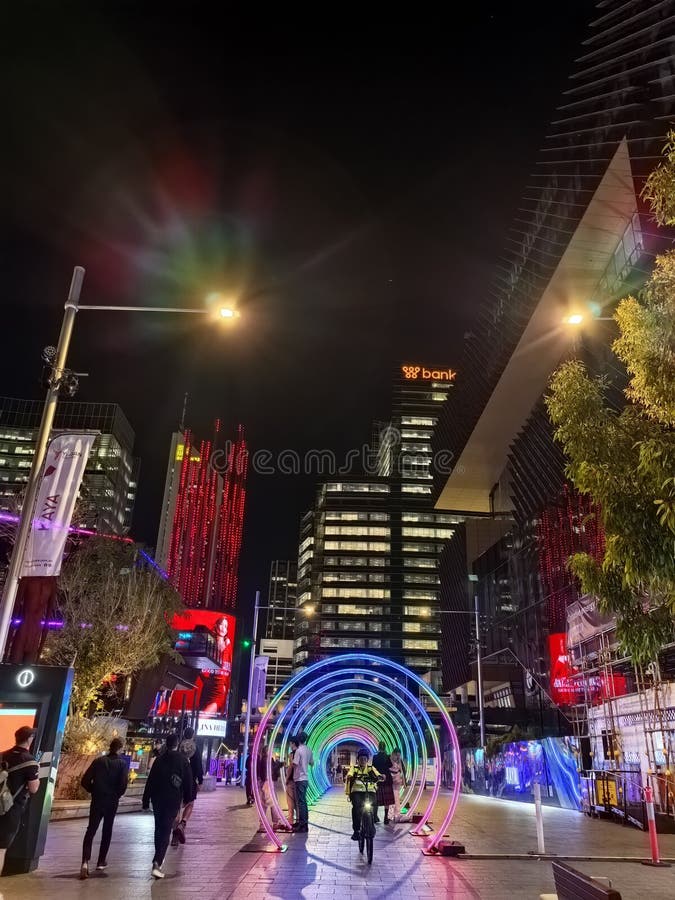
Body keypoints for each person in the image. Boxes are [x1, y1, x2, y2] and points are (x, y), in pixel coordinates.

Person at [142, 733, 193, 880]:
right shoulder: (183, 761)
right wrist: (188, 798)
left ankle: (158, 859)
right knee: (165, 830)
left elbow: (150, 781)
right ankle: (157, 863)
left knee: (159, 828)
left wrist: (146, 800)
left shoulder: (159, 760)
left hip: (157, 799)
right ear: (177, 744)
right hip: (172, 799)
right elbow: (188, 781)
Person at [79, 737, 129, 879]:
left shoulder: (98, 761)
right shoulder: (122, 764)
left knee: (91, 830)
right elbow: (123, 784)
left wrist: (93, 790)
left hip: (97, 799)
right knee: (107, 830)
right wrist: (116, 795)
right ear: (119, 749)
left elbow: (85, 780)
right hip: (111, 801)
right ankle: (101, 860)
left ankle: (85, 861)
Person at [0, 726, 39, 875]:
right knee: (1, 848)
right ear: (29, 740)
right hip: (10, 810)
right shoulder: (30, 762)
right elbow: (34, 788)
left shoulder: (2, 756)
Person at [171, 727, 204, 847]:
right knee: (190, 803)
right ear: (193, 735)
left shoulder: (179, 746)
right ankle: (183, 823)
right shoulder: (195, 747)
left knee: (177, 807)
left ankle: (175, 835)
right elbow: (199, 765)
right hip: (190, 780)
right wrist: (200, 780)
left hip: (178, 779)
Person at [345, 748, 383, 841]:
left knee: (373, 805)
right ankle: (356, 830)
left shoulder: (370, 768)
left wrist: (380, 776)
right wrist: (350, 776)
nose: (363, 760)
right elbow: (350, 773)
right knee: (356, 808)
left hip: (369, 791)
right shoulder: (354, 768)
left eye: (365, 759)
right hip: (357, 791)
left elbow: (377, 773)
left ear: (367, 760)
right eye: (361, 759)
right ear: (358, 760)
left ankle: (371, 823)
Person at [291, 731, 313, 833]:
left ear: (299, 740)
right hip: (305, 779)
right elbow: (312, 763)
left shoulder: (298, 751)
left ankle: (302, 825)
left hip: (299, 778)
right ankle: (304, 823)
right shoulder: (309, 750)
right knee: (303, 802)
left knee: (301, 803)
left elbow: (295, 764)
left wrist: (290, 763)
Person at [372, 741, 393, 824]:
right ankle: (385, 818)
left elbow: (373, 767)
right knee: (387, 801)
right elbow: (390, 765)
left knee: (376, 799)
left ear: (378, 747)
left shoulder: (375, 757)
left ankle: (375, 817)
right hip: (387, 780)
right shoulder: (387, 756)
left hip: (378, 780)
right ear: (385, 747)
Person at [388, 748, 407, 823]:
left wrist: (404, 783)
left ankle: (396, 815)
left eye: (399, 755)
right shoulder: (389, 760)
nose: (398, 757)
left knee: (396, 798)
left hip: (397, 781)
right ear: (394, 754)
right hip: (391, 781)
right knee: (392, 798)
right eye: (397, 755)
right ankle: (391, 815)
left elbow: (402, 771)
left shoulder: (399, 761)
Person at [284, 738, 298, 829]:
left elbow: (291, 767)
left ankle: (290, 822)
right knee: (298, 803)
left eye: (290, 743)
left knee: (290, 802)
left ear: (293, 743)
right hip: (299, 781)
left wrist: (287, 778)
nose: (289, 745)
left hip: (292, 780)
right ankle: (299, 821)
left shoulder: (292, 754)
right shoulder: (302, 752)